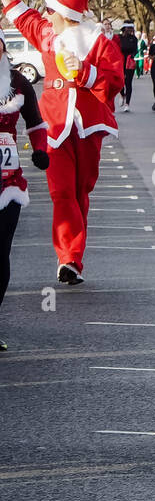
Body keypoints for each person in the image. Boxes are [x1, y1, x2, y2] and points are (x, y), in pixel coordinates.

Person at [0, 0, 123, 285]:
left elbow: (114, 81)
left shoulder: (99, 42)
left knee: (81, 191)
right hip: (54, 124)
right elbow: (23, 17)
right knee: (62, 192)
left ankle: (74, 257)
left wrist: (84, 71)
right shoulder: (47, 34)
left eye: (49, 9)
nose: (45, 14)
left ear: (63, 12)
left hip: (89, 125)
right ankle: (68, 258)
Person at [0, 43, 49, 349]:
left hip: (8, 186)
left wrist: (41, 149)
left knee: (0, 252)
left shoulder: (18, 82)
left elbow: (35, 121)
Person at [116, 21, 138, 112]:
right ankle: (122, 94)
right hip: (120, 61)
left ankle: (127, 103)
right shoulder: (119, 37)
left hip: (129, 61)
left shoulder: (134, 39)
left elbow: (136, 50)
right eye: (128, 28)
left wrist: (133, 55)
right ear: (124, 29)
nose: (129, 30)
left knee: (128, 82)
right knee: (120, 80)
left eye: (131, 28)